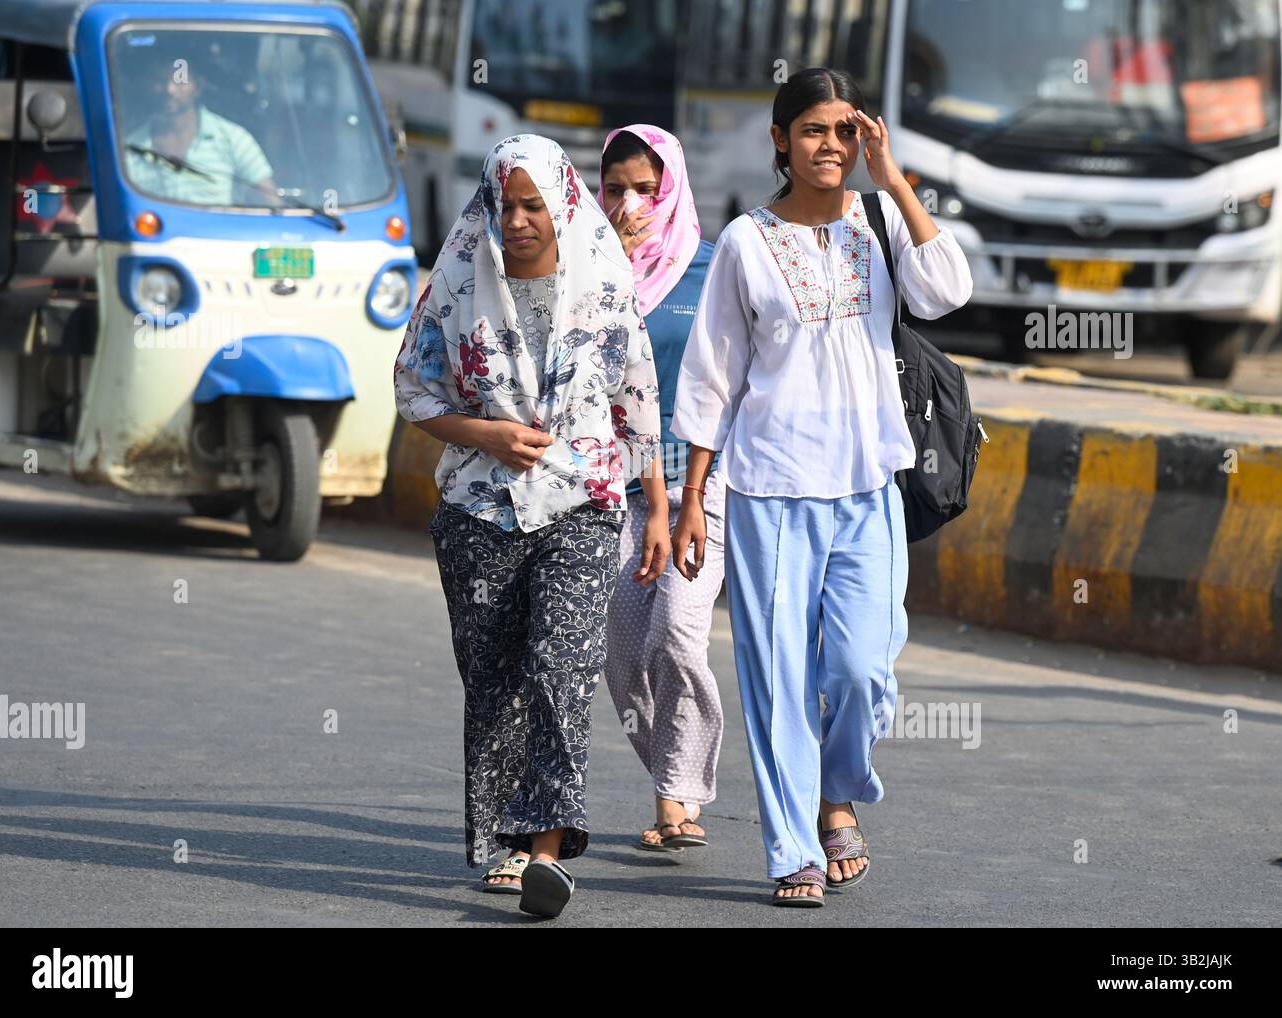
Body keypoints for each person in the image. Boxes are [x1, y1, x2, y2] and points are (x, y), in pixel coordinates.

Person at [670, 68, 973, 906]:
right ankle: (794, 846)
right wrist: (695, 497)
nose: (831, 146)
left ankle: (836, 794)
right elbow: (712, 378)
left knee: (863, 670)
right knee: (776, 682)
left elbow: (948, 290)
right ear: (780, 141)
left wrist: (896, 181)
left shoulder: (878, 228)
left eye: (846, 131)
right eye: (813, 130)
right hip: (769, 491)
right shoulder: (744, 242)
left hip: (870, 485)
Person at [394, 134, 670, 919]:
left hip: (583, 502)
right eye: (503, 205)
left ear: (561, 203)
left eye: (531, 205)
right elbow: (412, 388)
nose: (516, 220)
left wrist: (653, 503)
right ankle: (506, 840)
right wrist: (484, 434)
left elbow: (637, 395)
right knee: (494, 679)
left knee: (561, 667)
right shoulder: (455, 277)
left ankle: (545, 845)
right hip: (479, 509)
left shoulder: (605, 277)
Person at [597, 125, 726, 853]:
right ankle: (668, 774)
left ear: (671, 185)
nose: (630, 204)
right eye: (615, 188)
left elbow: (731, 383)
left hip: (702, 488)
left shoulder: (710, 271)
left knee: (676, 630)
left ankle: (678, 793)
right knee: (621, 649)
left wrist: (694, 500)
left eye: (646, 188)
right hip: (613, 489)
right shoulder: (585, 270)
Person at [123, 48, 278, 206]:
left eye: (179, 79)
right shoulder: (131, 150)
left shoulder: (233, 140)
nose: (169, 89)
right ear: (145, 87)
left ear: (198, 86)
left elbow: (269, 203)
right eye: (158, 81)